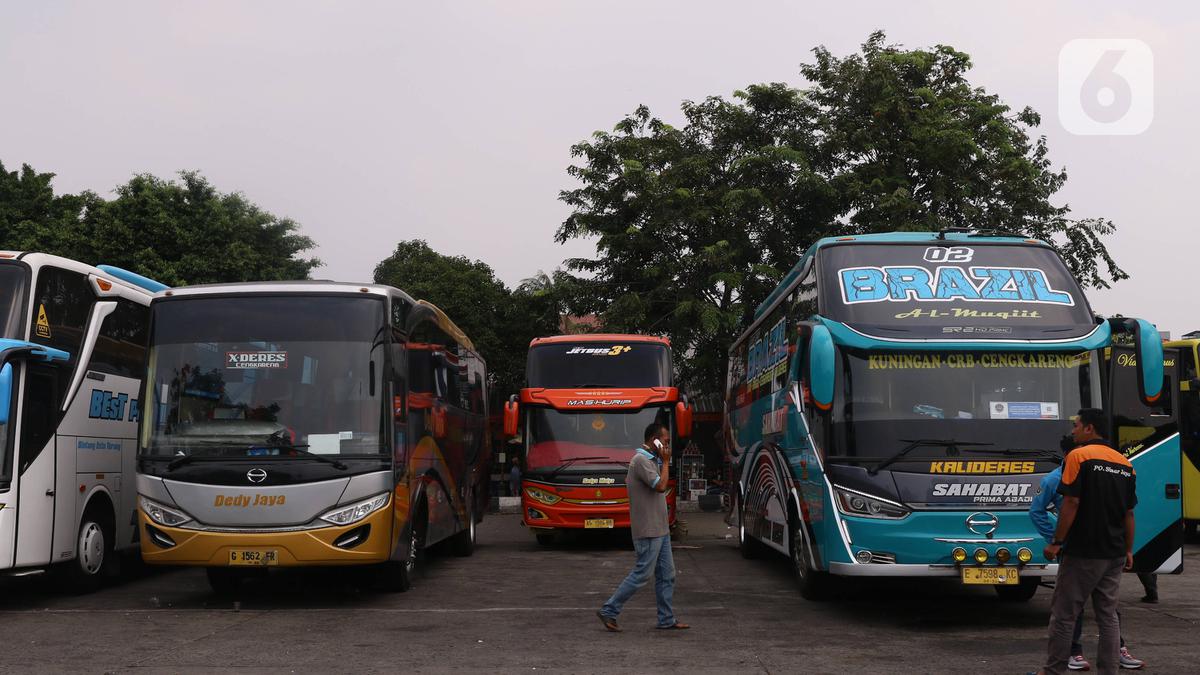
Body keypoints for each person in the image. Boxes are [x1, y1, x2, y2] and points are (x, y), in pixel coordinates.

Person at [1032, 409, 1139, 675]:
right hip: (1113, 552)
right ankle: (1110, 670)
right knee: (1108, 616)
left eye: (1077, 425)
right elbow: (1129, 513)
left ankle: (1054, 670)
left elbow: (1071, 501)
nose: (1073, 430)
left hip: (1083, 550)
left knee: (1065, 615)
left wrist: (1057, 541)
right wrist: (1128, 549)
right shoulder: (1124, 463)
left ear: (1090, 428)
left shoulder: (1077, 456)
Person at [596, 423, 688, 632]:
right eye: (665, 441)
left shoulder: (651, 460)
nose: (667, 446)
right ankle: (609, 610)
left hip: (660, 529)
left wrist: (662, 460)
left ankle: (666, 619)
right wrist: (666, 462)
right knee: (643, 573)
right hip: (648, 530)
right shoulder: (640, 461)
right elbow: (661, 486)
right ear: (654, 440)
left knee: (667, 574)